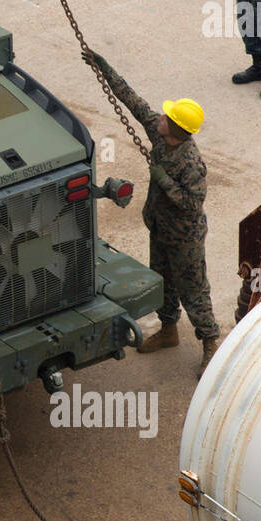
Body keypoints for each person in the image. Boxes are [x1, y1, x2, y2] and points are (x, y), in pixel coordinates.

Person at [82, 50, 221, 378]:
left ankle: (211, 341)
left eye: (165, 117)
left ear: (176, 128)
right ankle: (169, 330)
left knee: (193, 289)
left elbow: (191, 203)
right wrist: (105, 68)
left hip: (185, 238)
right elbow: (132, 100)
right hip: (160, 228)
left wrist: (163, 180)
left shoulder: (191, 164)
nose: (158, 116)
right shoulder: (160, 135)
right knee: (163, 282)